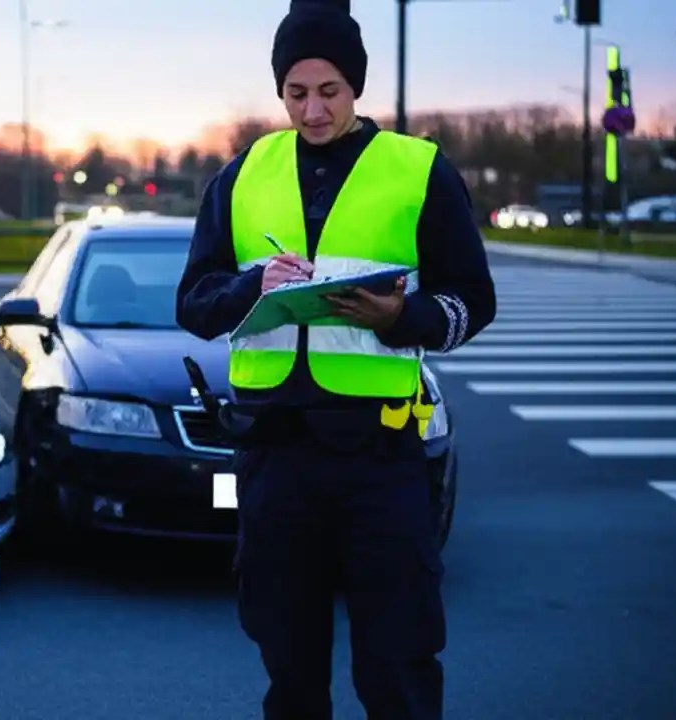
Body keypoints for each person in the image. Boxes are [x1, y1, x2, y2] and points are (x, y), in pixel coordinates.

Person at [174, 1, 496, 718]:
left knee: (396, 665)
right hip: (274, 455)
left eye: (330, 92)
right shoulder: (240, 174)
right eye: (296, 93)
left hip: (380, 458)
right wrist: (248, 286)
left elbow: (474, 299)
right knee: (289, 665)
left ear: (356, 87)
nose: (313, 111)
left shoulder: (418, 172)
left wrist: (403, 317)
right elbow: (193, 304)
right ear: (279, 90)